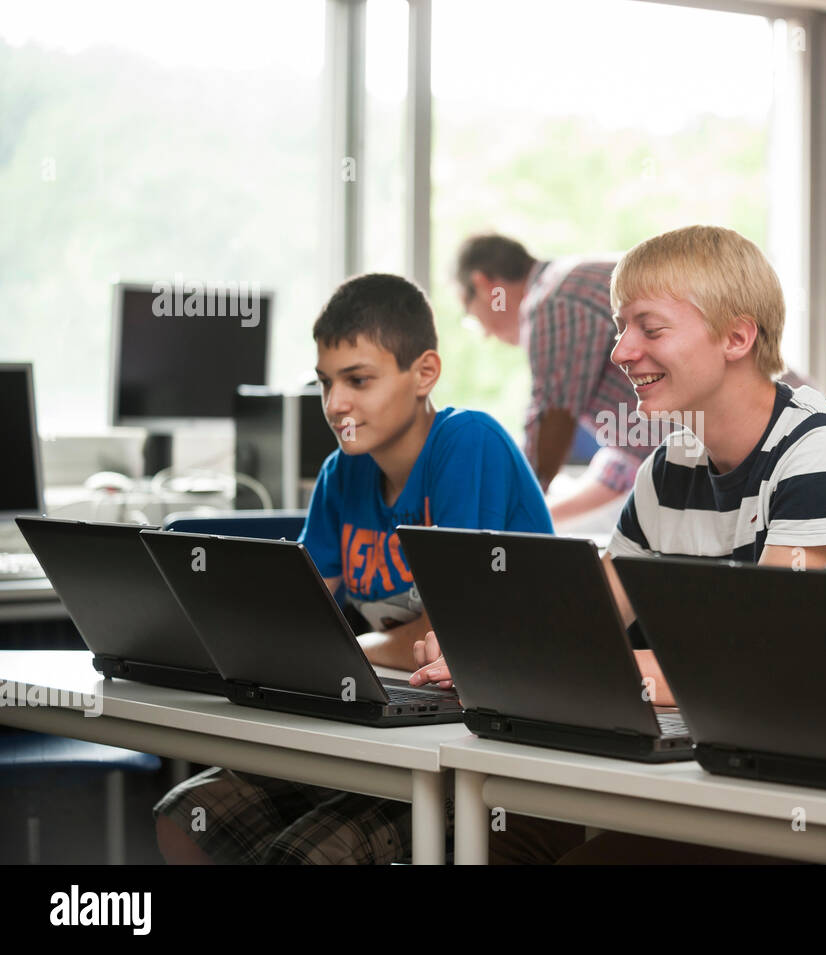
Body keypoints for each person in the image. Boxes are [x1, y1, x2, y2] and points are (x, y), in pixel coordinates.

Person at [415, 225, 826, 862]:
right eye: (620, 327)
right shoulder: (671, 466)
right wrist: (487, 648)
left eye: (649, 327)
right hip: (747, 752)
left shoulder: (823, 452)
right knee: (497, 839)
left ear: (736, 337)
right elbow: (590, 617)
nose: (620, 352)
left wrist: (573, 665)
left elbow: (768, 659)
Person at [153, 273, 554, 864]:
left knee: (300, 856)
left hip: (480, 744)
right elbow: (301, 614)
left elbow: (463, 634)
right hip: (384, 727)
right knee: (187, 820)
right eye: (326, 383)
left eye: (358, 381)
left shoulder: (467, 444)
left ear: (424, 373)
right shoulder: (343, 473)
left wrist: (360, 647)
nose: (336, 403)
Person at [455, 234, 649, 525]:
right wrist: (538, 514)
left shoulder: (553, 299)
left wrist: (501, 513)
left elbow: (551, 421)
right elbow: (627, 464)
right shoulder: (569, 285)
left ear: (484, 286)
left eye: (472, 317)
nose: (484, 334)